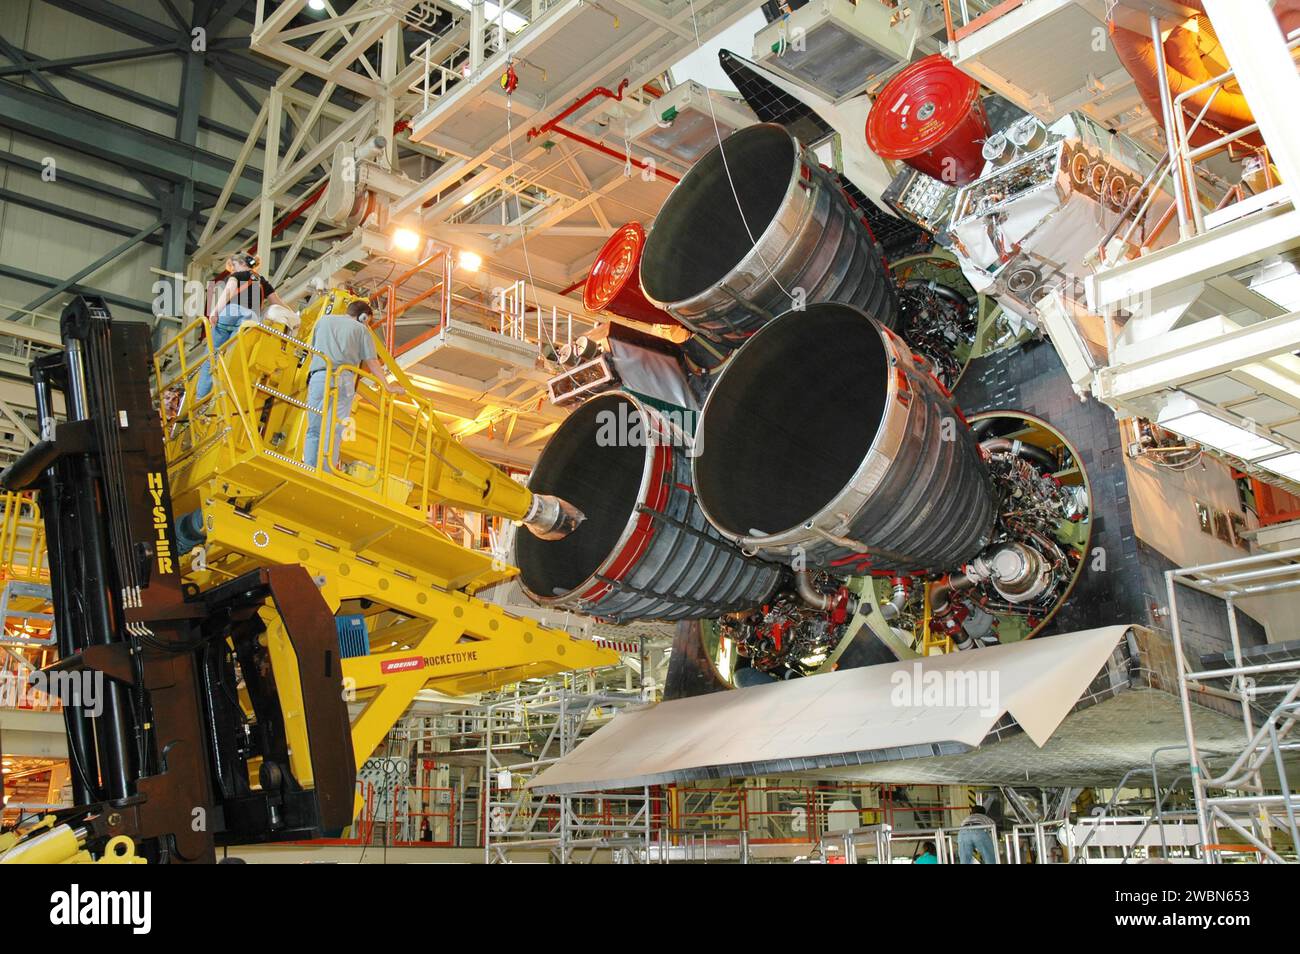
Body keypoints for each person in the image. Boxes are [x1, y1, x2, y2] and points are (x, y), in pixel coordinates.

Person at [302, 299, 402, 471]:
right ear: (364, 317)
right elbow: (372, 361)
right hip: (344, 380)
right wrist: (387, 386)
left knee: (314, 428)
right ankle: (326, 471)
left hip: (319, 376)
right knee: (335, 428)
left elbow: (313, 350)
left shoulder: (323, 321)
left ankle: (309, 467)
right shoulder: (361, 329)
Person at [195, 252, 287, 399]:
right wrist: (294, 316)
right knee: (231, 357)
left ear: (240, 264)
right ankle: (222, 396)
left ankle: (201, 397)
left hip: (231, 312)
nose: (233, 270)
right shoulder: (263, 282)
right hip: (250, 319)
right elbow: (278, 303)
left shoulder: (238, 275)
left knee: (211, 357)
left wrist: (215, 310)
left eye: (233, 267)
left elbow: (229, 292)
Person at [957, 794, 1002, 864]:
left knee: (965, 860)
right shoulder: (985, 818)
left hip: (963, 833)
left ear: (972, 812)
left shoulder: (966, 818)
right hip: (978, 831)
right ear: (984, 813)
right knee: (989, 856)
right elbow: (992, 831)